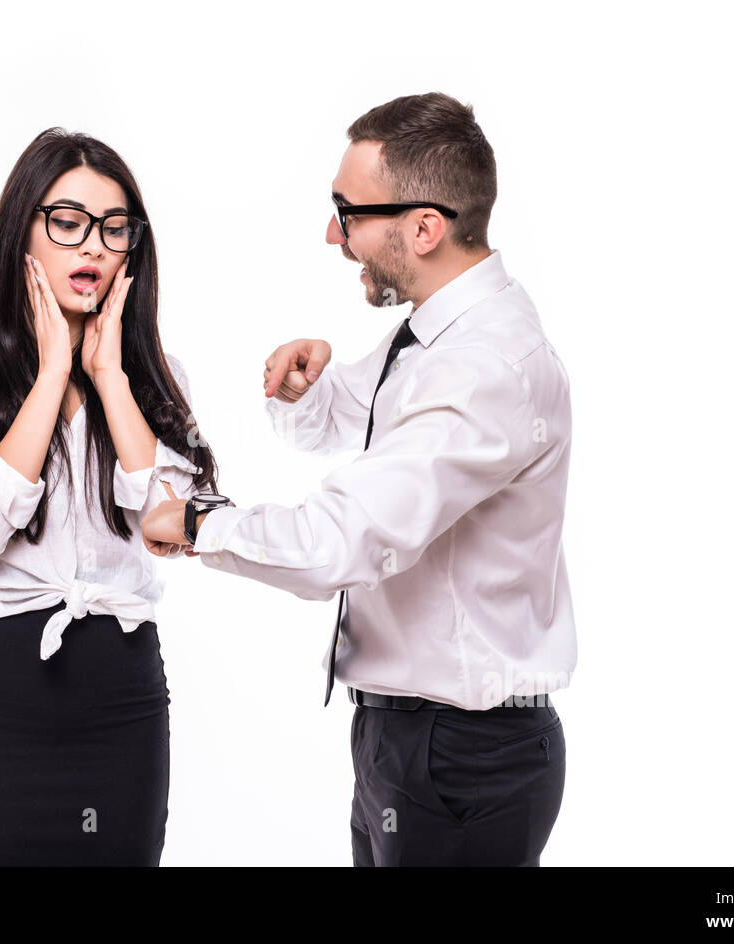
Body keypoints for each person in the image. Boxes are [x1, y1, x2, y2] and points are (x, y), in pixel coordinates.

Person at [142, 93, 576, 866]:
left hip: (460, 753)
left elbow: (341, 543)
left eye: (349, 212)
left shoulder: (486, 366)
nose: (333, 233)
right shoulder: (440, 333)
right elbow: (368, 422)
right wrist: (313, 386)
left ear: (423, 227)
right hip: (406, 738)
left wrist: (201, 523)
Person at [0, 127, 218, 865]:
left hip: (121, 699)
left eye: (115, 230)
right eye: (68, 222)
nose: (93, 248)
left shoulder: (156, 376)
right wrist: (50, 376)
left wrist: (110, 379)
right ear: (24, 230)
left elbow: (170, 526)